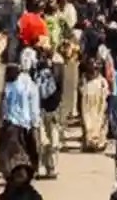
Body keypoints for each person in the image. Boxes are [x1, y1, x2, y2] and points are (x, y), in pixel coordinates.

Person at [0, 63, 40, 178]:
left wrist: (1, 120)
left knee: (10, 152)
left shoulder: (8, 87)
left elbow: (3, 107)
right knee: (25, 150)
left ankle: (13, 173)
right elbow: (34, 108)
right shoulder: (31, 86)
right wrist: (35, 123)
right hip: (26, 125)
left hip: (11, 124)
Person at [32, 39, 64, 180]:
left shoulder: (57, 63)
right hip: (40, 107)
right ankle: (41, 167)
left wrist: (49, 67)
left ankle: (52, 168)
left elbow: (58, 82)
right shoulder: (36, 64)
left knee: (53, 140)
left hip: (52, 107)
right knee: (40, 140)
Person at [79, 57, 111, 153]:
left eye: (96, 66)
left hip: (98, 103)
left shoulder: (102, 81)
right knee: (87, 121)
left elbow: (106, 93)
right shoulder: (84, 78)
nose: (94, 68)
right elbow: (80, 90)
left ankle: (98, 142)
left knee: (99, 120)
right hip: (87, 103)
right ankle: (89, 142)